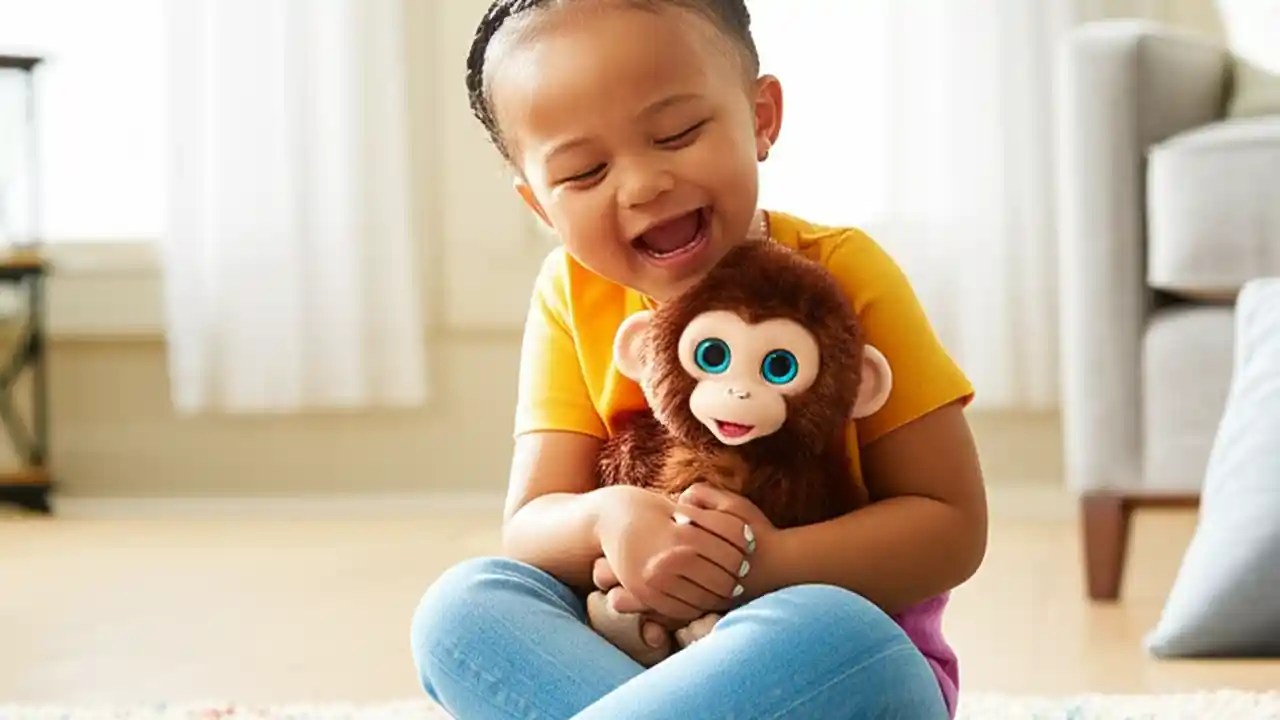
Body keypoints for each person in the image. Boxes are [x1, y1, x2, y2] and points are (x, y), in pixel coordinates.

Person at [409, 1, 987, 718]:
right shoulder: (570, 295)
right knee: (465, 609)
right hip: (628, 654)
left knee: (837, 631)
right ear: (540, 207)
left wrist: (762, 565)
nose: (643, 184)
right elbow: (531, 523)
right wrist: (610, 518)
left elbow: (951, 527)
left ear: (761, 116)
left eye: (677, 133)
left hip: (824, 672)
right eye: (586, 172)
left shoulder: (846, 272)